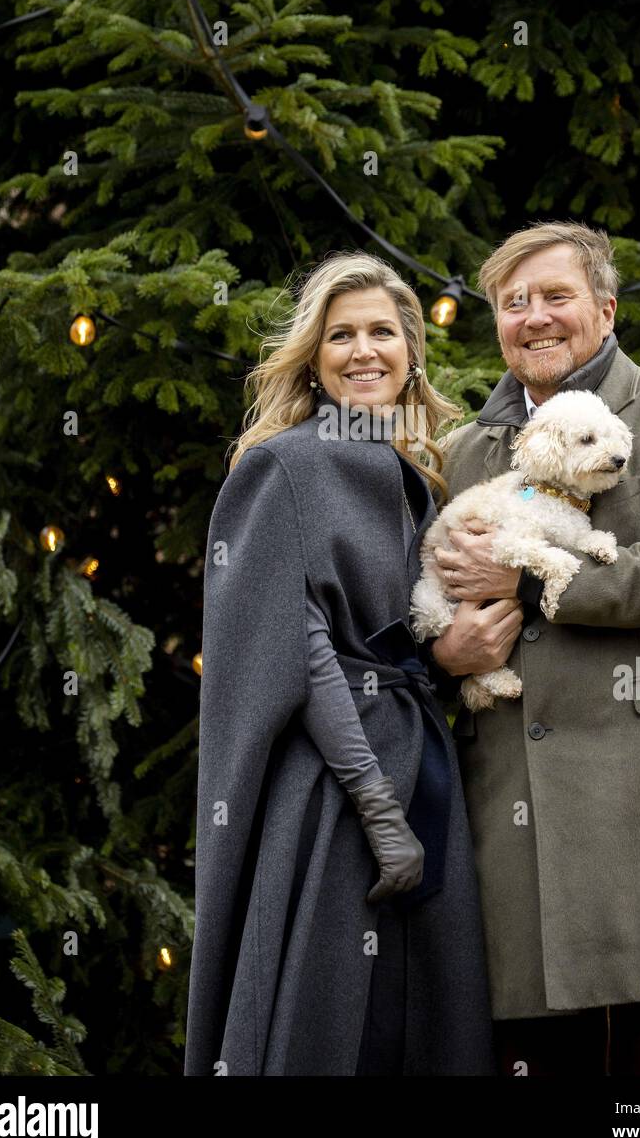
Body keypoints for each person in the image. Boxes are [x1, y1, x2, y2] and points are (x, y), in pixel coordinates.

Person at [428, 219, 640, 1077]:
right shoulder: (463, 451)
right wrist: (446, 655)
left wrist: (533, 584)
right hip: (513, 830)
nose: (534, 317)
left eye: (556, 296)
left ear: (606, 309)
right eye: (512, 303)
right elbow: (423, 599)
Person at [183, 251, 517, 1076]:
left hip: (420, 769)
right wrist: (375, 807)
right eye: (340, 335)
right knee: (334, 1022)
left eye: (381, 332)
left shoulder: (417, 475)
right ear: (314, 356)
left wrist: (444, 662)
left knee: (426, 1023)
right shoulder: (282, 466)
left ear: (410, 352)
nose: (363, 350)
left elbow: (394, 645)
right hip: (333, 792)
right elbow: (301, 652)